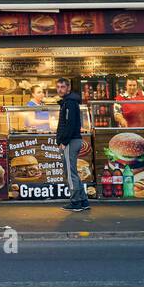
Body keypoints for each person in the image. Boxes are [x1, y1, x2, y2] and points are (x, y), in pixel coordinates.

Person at [55, 77, 89, 212]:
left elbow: (69, 124)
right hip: (73, 140)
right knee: (73, 172)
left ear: (68, 88)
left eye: (62, 87)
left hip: (70, 141)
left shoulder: (69, 103)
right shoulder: (69, 102)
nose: (60, 89)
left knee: (70, 173)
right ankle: (83, 200)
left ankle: (75, 202)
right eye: (58, 87)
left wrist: (63, 141)